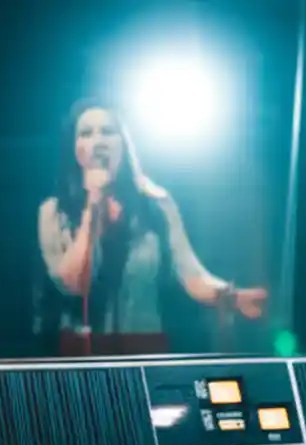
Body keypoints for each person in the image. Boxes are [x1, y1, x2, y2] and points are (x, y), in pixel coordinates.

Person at [35, 98, 267, 355]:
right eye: (86, 133)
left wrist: (231, 297)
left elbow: (191, 274)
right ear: (75, 149)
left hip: (144, 348)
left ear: (124, 144)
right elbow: (76, 284)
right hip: (81, 353)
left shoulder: (156, 204)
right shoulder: (54, 212)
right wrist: (93, 205)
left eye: (108, 132)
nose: (98, 141)